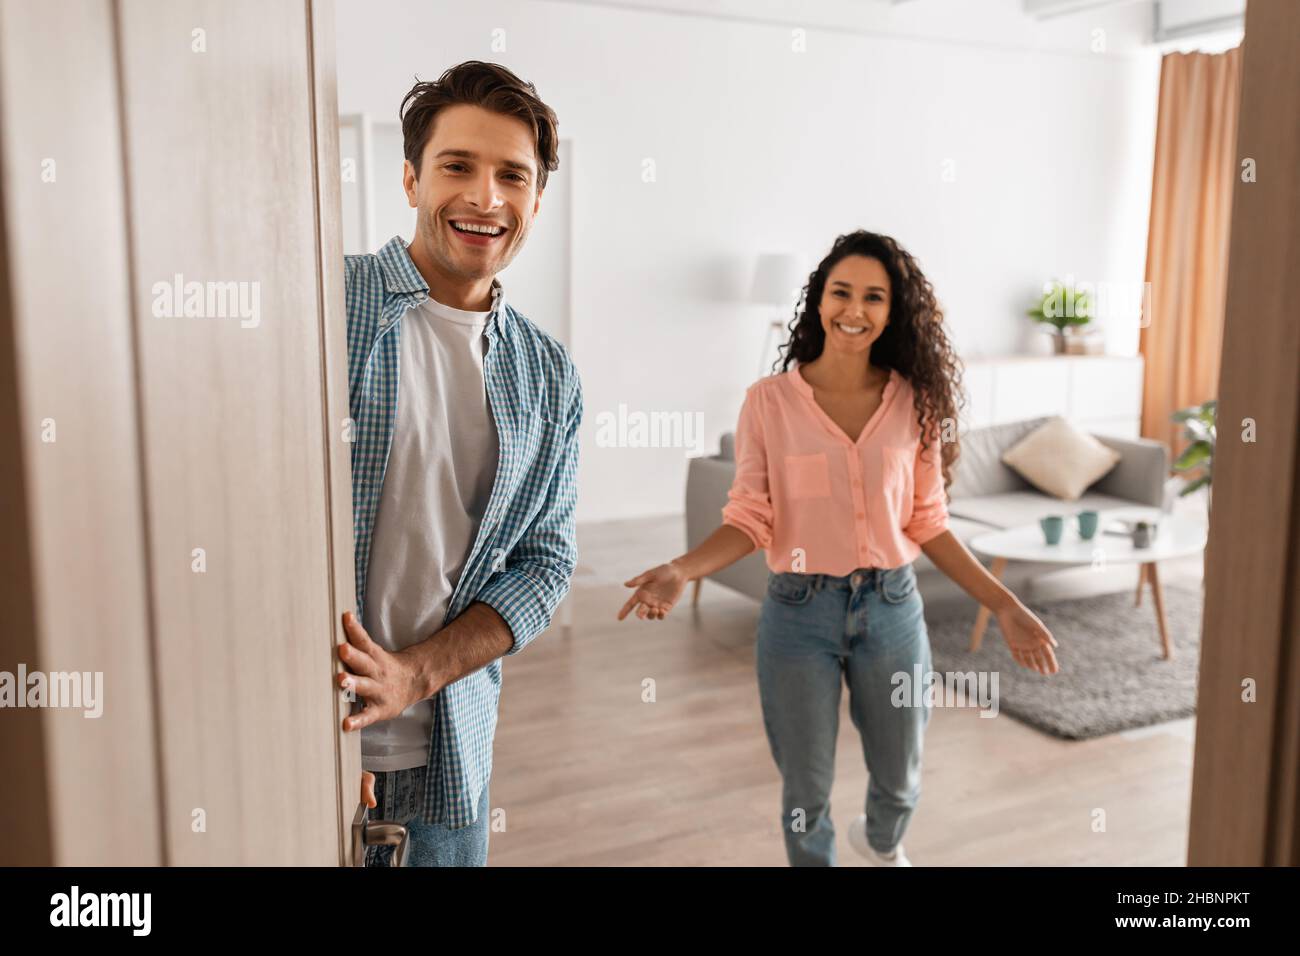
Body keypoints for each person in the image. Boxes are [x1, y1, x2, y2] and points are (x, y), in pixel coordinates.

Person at [617, 229, 1058, 867]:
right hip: (799, 613)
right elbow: (749, 518)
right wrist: (682, 568)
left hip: (893, 607)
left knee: (902, 774)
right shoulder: (768, 404)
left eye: (873, 297)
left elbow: (929, 521)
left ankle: (879, 845)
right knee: (805, 789)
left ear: (892, 311)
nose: (854, 310)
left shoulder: (917, 402)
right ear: (818, 301)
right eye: (841, 292)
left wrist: (1006, 602)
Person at [336, 61, 581, 866]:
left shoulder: (548, 376)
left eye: (513, 175)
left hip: (447, 763)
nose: (486, 197)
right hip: (306, 741)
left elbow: (545, 566)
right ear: (410, 178)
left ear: (537, 200)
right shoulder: (326, 306)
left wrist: (414, 674)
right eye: (457, 166)